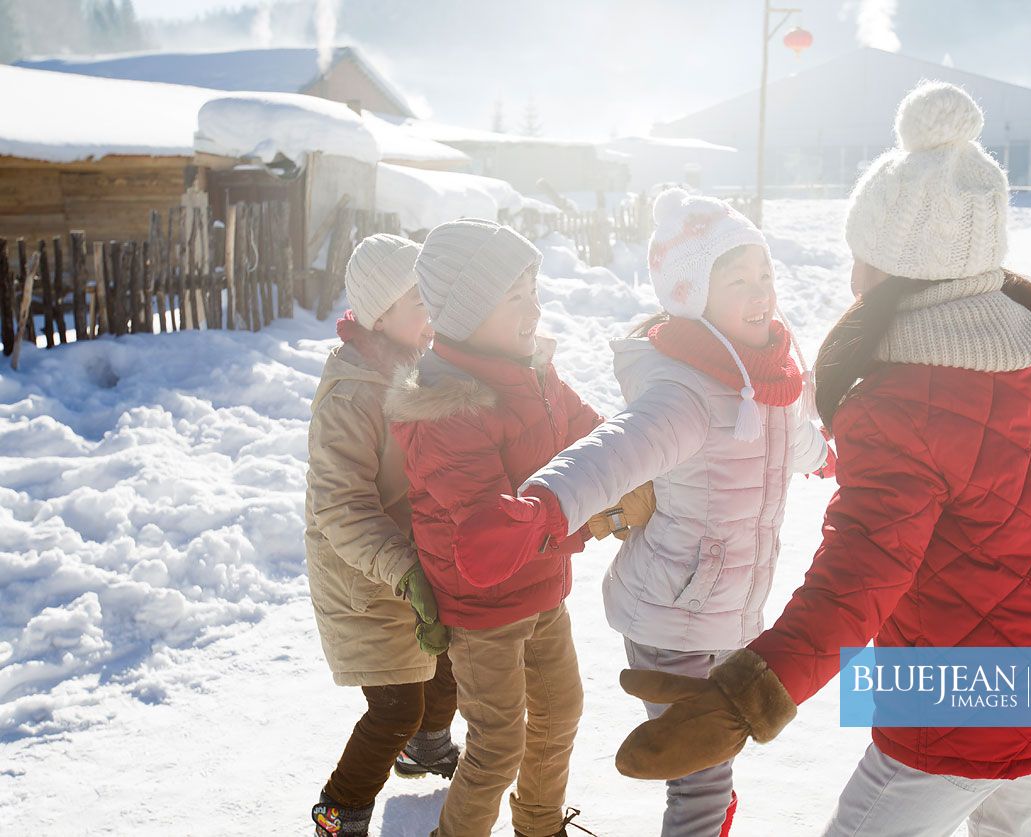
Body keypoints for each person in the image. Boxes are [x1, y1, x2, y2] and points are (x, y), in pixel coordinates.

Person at [613, 82, 1031, 837]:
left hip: (959, 718)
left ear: (892, 268)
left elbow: (857, 581)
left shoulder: (897, 403)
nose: (848, 280)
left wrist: (748, 693)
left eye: (859, 260)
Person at [465, 189, 831, 836]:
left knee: (710, 753)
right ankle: (706, 812)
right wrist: (541, 506)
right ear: (692, 295)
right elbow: (613, 452)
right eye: (737, 279)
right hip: (671, 615)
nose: (760, 293)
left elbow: (796, 436)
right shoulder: (684, 394)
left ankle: (710, 806)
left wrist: (829, 461)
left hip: (728, 610)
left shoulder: (772, 373)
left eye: (764, 275)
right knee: (699, 774)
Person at [385, 219, 604, 837]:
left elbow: (593, 435)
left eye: (534, 289)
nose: (534, 308)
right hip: (481, 606)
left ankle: (540, 826)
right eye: (515, 296)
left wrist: (639, 457)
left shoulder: (533, 372)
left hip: (539, 588)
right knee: (499, 741)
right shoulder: (445, 407)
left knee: (560, 712)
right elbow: (487, 533)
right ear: (469, 311)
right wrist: (589, 517)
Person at [305, 233, 461, 837]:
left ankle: (425, 748)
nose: (433, 314)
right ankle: (338, 808)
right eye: (419, 302)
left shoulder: (415, 367)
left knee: (444, 666)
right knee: (396, 705)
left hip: (412, 560)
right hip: (363, 576)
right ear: (380, 316)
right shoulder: (353, 395)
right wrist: (403, 570)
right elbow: (340, 507)